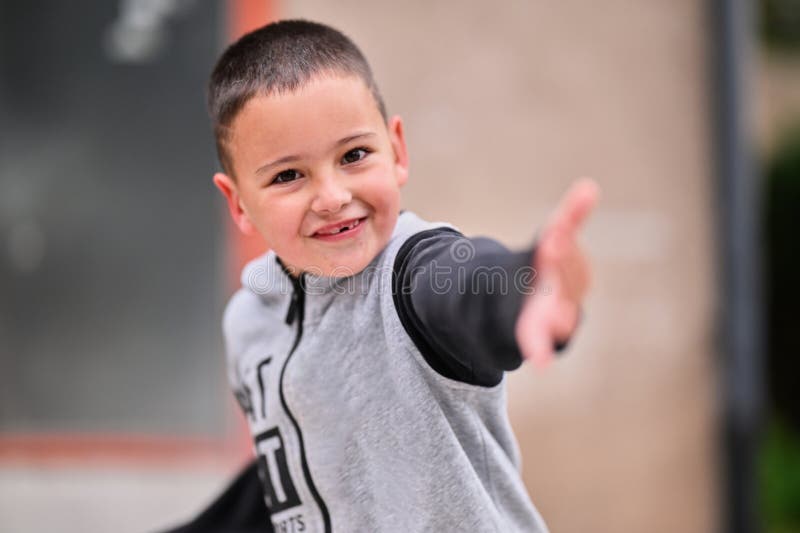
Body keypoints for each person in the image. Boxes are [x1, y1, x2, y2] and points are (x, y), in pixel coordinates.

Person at [167, 18, 598, 533]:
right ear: (238, 203)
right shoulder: (248, 320)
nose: (331, 197)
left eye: (354, 155)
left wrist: (523, 288)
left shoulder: (409, 274)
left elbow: (463, 284)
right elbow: (292, 478)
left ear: (398, 151)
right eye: (288, 175)